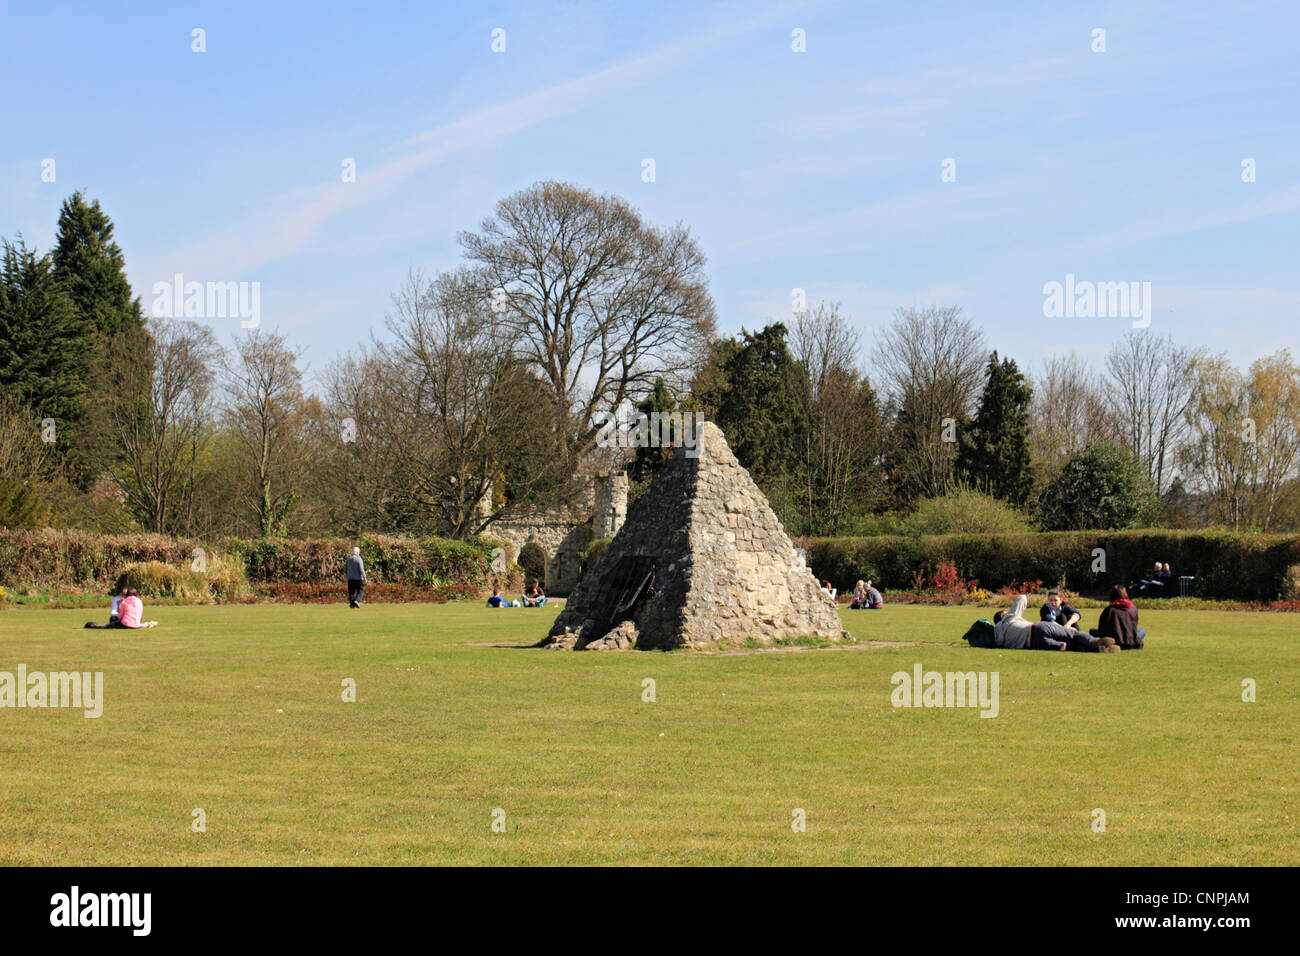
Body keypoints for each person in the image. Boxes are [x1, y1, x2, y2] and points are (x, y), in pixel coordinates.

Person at [1091, 585, 1147, 649]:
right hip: (1130, 640)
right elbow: (1134, 626)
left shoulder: (1109, 609)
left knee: (1092, 630)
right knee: (1142, 630)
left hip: (1115, 640)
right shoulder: (1133, 608)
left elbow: (1102, 629)